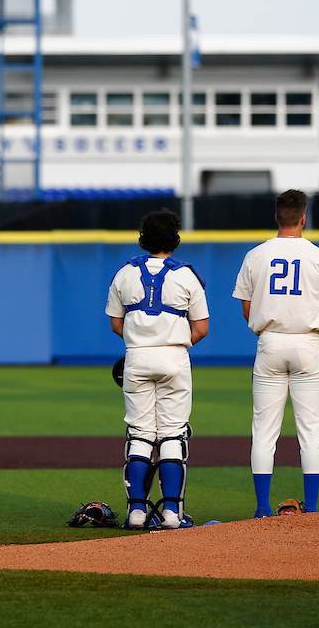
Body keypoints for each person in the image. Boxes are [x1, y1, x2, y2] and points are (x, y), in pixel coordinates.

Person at [233, 189, 319, 517]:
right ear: (303, 218)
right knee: (311, 431)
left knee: (264, 431)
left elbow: (246, 307)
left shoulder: (256, 255)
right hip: (308, 343)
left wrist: (266, 329)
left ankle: (263, 507)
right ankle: (311, 507)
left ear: (277, 217)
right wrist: (313, 335)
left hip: (270, 341)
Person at [105, 208, 209, 530]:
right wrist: (173, 341)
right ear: (175, 239)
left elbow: (115, 324)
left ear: (142, 239)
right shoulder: (187, 276)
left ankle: (137, 512)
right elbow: (202, 328)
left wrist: (142, 341)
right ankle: (171, 514)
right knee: (173, 434)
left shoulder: (124, 274)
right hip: (174, 358)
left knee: (139, 433)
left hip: (136, 357)